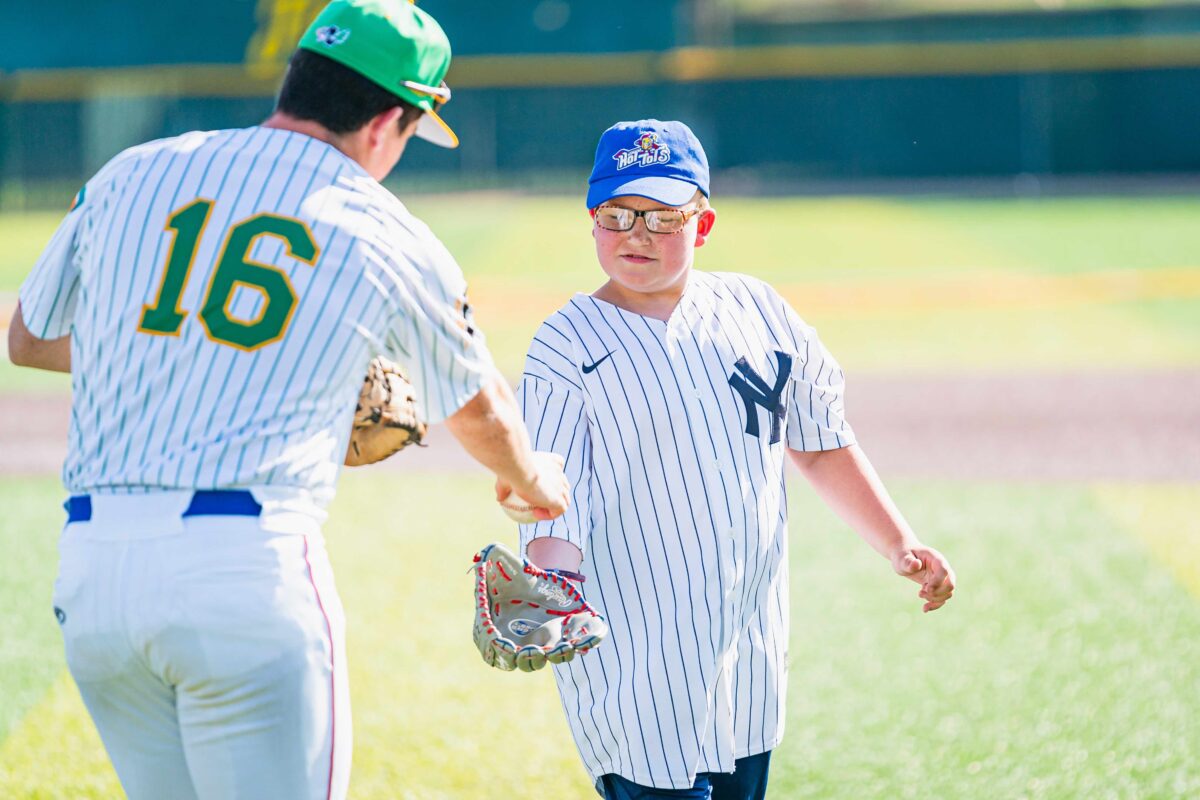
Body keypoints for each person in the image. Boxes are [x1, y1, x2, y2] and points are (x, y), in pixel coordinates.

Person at [6, 1, 569, 798]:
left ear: (298, 78)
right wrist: (534, 482)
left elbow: (28, 337)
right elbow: (477, 410)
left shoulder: (133, 170)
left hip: (94, 579)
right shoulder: (383, 227)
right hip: (246, 575)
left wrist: (187, 361)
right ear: (386, 123)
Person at [514, 119, 956, 800]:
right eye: (618, 213)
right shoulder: (565, 345)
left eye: (663, 216)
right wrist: (551, 591)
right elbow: (551, 490)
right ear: (592, 219)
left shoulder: (760, 310)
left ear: (704, 223)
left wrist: (899, 542)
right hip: (636, 655)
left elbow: (820, 440)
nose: (637, 233)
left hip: (746, 645)